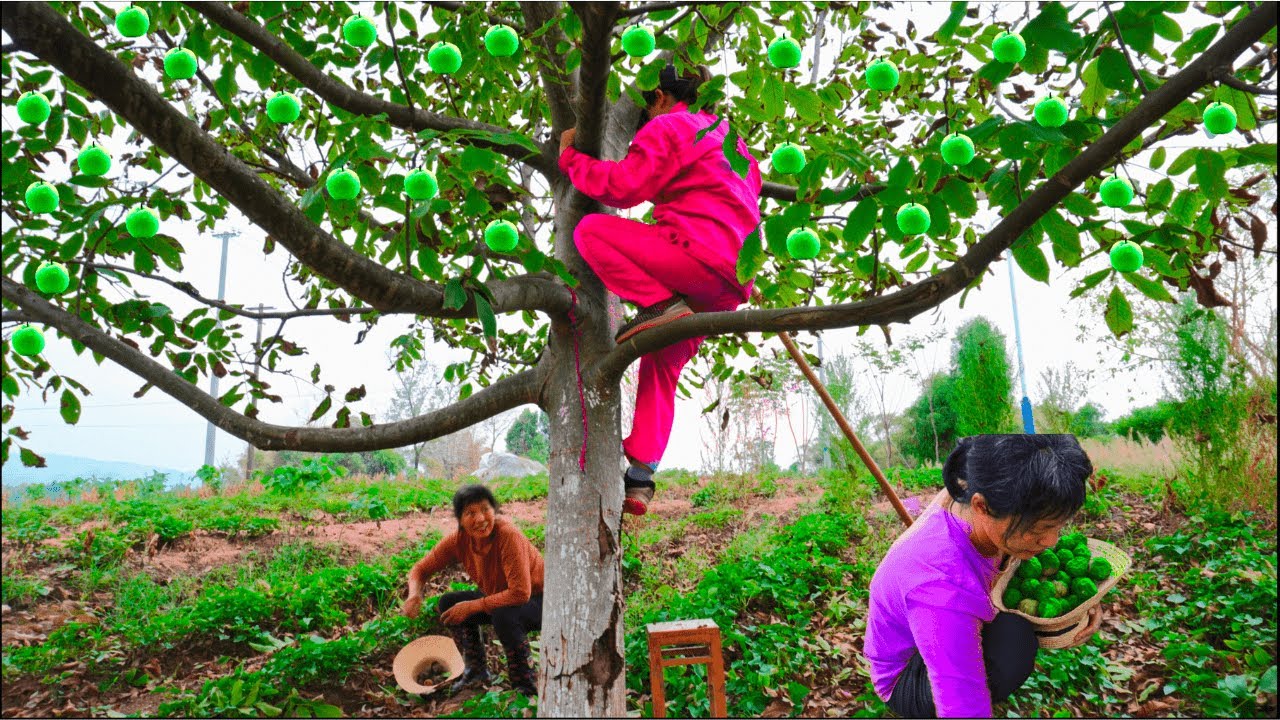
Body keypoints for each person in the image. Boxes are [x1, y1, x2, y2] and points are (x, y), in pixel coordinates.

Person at [557, 63, 762, 516]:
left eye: (648, 105)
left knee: (591, 231)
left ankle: (659, 304)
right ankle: (641, 475)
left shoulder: (671, 125)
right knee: (662, 359)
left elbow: (623, 187)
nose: (647, 117)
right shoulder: (737, 146)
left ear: (663, 98)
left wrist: (571, 157)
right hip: (730, 283)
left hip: (695, 259)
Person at [864, 434, 1105, 718]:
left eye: (1057, 526)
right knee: (1015, 644)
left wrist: (1083, 600)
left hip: (936, 622)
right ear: (981, 507)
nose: (1051, 541)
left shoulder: (975, 491)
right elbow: (962, 708)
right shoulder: (941, 587)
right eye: (1038, 530)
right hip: (905, 673)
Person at [402, 485, 544, 696]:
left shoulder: (507, 536)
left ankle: (525, 687)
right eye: (470, 513)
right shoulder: (458, 541)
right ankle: (475, 672)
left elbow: (520, 593)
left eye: (486, 509)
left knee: (503, 614)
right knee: (448, 604)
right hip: (501, 598)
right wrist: (414, 594)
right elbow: (420, 570)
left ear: (494, 510)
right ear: (460, 519)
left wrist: (473, 606)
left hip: (540, 602)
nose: (480, 519)